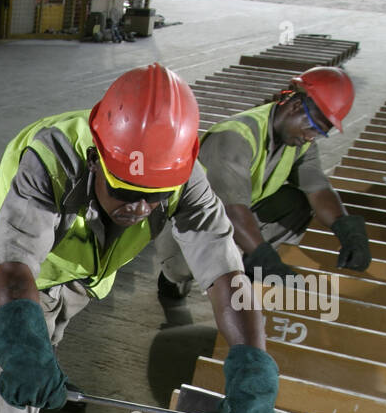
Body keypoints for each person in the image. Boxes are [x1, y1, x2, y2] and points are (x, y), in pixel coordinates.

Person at [0, 63, 282, 413]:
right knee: (14, 383)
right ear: (100, 159)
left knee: (50, 341)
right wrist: (24, 347)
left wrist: (253, 368)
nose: (139, 211)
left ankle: (46, 374)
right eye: (126, 194)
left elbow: (227, 275)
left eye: (154, 200)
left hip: (88, 273)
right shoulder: (49, 159)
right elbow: (14, 271)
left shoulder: (182, 175)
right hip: (33, 275)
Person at [157, 65, 370, 322]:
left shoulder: (299, 141)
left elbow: (318, 188)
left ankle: (245, 266)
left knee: (298, 202)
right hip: (187, 230)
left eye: (320, 132)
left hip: (234, 219)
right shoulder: (235, 138)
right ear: (295, 107)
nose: (312, 137)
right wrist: (268, 263)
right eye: (314, 127)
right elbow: (232, 213)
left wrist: (348, 229)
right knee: (184, 266)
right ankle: (172, 276)